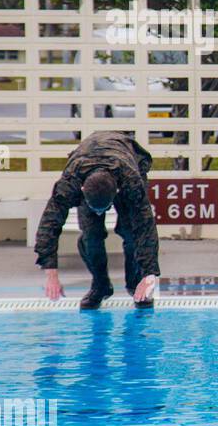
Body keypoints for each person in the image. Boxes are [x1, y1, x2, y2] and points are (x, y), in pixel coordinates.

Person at [34, 131, 160, 310]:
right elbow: (49, 223)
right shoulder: (71, 181)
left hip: (125, 158)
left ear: (117, 192)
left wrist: (149, 275)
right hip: (88, 167)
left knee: (131, 232)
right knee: (90, 235)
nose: (101, 213)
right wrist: (51, 273)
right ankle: (100, 286)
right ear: (82, 190)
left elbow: (145, 227)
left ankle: (135, 283)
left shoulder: (131, 181)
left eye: (104, 209)